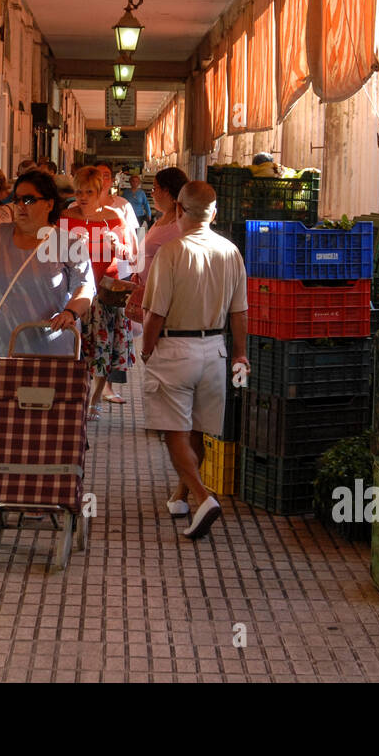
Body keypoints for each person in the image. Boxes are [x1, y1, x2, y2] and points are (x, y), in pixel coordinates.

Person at [0, 170, 96, 521]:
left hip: (51, 351)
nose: (20, 206)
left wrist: (71, 311)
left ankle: (43, 492)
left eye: (29, 200)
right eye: (16, 199)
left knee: (45, 426)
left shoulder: (67, 242)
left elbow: (87, 288)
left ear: (49, 204)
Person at [140, 182, 249, 540]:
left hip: (175, 349)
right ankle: (181, 496)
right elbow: (240, 313)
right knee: (198, 429)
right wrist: (239, 355)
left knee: (175, 433)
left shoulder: (172, 252)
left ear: (180, 211)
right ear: (213, 213)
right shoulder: (231, 252)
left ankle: (203, 498)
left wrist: (146, 348)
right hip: (215, 351)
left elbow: (156, 313)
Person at [64, 166, 134, 417]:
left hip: (105, 292)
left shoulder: (114, 217)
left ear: (100, 190)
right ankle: (79, 396)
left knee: (103, 348)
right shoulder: (66, 216)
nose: (82, 197)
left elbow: (129, 256)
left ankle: (96, 398)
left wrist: (118, 246)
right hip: (74, 293)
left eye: (89, 192)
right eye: (79, 191)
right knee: (77, 349)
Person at [138, 167, 188, 283]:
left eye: (155, 188)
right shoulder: (163, 219)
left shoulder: (179, 225)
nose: (152, 193)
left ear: (166, 191)